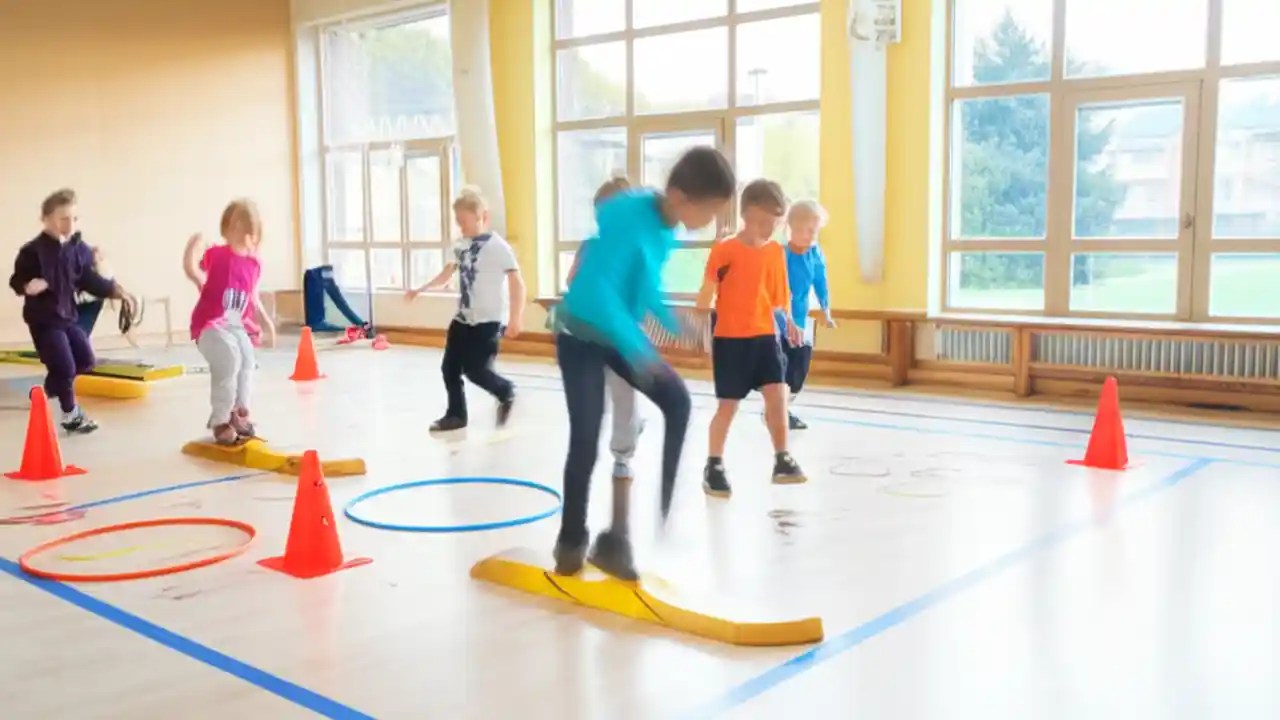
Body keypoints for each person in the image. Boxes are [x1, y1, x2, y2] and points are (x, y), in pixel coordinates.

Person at [553, 146, 735, 581]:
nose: (709, 222)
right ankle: (571, 541)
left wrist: (682, 327)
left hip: (618, 333)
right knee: (585, 438)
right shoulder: (629, 221)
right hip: (580, 332)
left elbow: (647, 290)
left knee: (678, 400)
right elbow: (600, 296)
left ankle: (624, 537)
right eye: (708, 211)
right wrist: (640, 352)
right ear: (679, 195)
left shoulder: (665, 228)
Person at [696, 179, 806, 498]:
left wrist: (790, 323)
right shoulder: (725, 249)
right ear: (746, 216)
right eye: (761, 222)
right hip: (731, 339)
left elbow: (778, 297)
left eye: (773, 224)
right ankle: (714, 464)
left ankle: (782, 458)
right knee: (728, 406)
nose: (767, 230)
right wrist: (700, 313)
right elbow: (707, 292)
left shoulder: (774, 253)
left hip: (765, 337)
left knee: (778, 395)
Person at [9, 189, 135, 434]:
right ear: (45, 219)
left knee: (86, 360)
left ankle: (51, 386)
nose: (69, 224)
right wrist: (27, 286)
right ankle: (71, 415)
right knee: (65, 367)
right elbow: (16, 280)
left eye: (74, 218)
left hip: (68, 317)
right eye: (62, 218)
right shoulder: (31, 252)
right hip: (44, 320)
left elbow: (88, 279)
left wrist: (115, 290)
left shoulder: (79, 249)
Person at [407, 186, 524, 432]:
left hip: (486, 321)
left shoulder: (498, 247)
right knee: (449, 368)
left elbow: (516, 282)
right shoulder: (462, 245)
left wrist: (515, 317)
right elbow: (447, 273)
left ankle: (505, 391)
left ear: (482, 216)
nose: (462, 227)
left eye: (465, 221)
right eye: (458, 222)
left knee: (476, 371)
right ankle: (456, 415)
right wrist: (421, 288)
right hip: (463, 319)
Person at [565, 175, 645, 490]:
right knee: (595, 392)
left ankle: (622, 455)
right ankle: (627, 430)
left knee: (624, 392)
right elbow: (573, 280)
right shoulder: (590, 246)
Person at [183, 199, 277, 445]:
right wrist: (191, 253)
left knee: (247, 359)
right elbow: (194, 270)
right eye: (242, 231)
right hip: (209, 325)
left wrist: (267, 323)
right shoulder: (217, 255)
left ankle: (239, 412)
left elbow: (253, 296)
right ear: (231, 229)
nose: (247, 240)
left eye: (251, 235)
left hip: (235, 326)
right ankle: (220, 420)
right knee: (229, 358)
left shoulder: (254, 264)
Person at [781, 199, 835, 430]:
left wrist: (826, 310)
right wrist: (786, 318)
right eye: (808, 230)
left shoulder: (815, 253)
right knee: (782, 367)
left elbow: (821, 281)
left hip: (802, 319)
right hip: (780, 319)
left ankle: (780, 408)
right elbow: (776, 289)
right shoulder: (779, 254)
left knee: (800, 369)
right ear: (792, 227)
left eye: (816, 230)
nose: (812, 235)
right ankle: (778, 410)